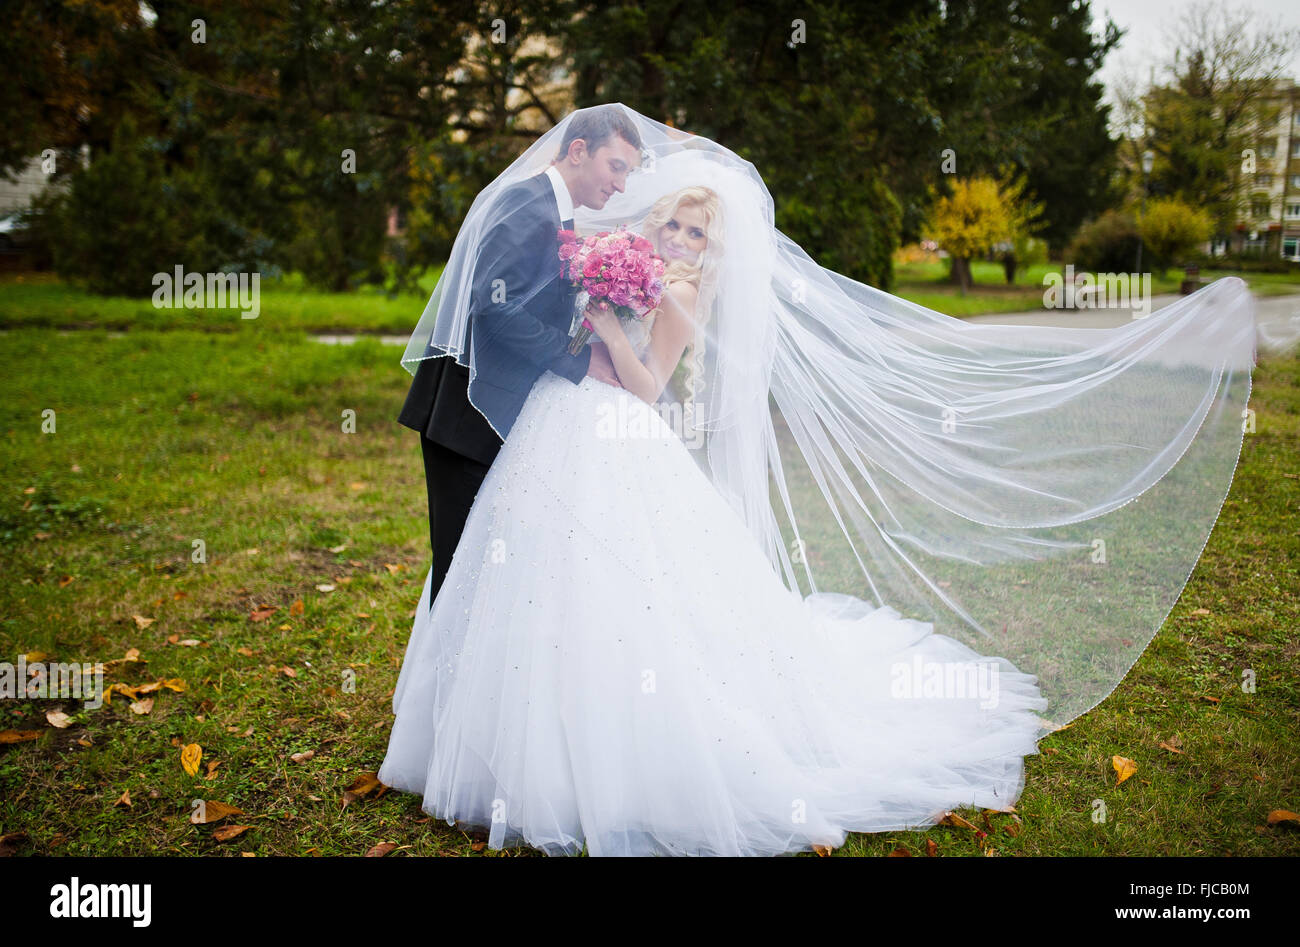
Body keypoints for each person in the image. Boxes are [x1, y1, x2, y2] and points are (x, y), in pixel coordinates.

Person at [380, 104, 1256, 856]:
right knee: (524, 574)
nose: (677, 238)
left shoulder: (679, 295)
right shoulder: (600, 244)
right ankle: (496, 735)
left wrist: (604, 329)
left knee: (626, 599)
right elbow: (531, 303)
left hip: (612, 429)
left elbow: (647, 386)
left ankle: (596, 755)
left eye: (695, 231)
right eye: (672, 223)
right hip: (554, 428)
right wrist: (593, 310)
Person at [396, 106, 641, 607]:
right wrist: (576, 360)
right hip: (467, 415)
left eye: (628, 174)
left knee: (486, 568)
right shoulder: (526, 205)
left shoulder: (552, 210)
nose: (620, 186)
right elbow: (493, 304)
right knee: (462, 568)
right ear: (578, 150)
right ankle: (446, 683)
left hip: (494, 410)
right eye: (615, 167)